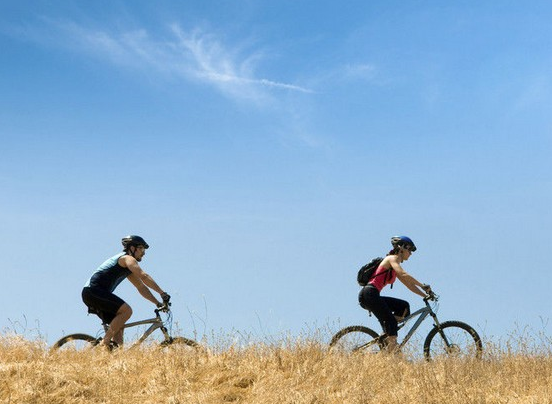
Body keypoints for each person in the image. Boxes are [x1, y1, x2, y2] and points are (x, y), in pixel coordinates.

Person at [81, 235, 170, 348]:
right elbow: (144, 276)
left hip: (93, 293)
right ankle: (104, 343)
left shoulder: (127, 268)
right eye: (141, 248)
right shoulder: (127, 259)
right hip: (93, 291)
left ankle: (115, 356)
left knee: (119, 325)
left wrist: (157, 303)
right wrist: (162, 293)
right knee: (126, 311)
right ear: (132, 248)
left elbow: (141, 287)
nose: (143, 253)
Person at [358, 236, 432, 352]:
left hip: (372, 295)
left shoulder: (393, 266)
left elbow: (409, 285)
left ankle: (387, 334)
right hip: (369, 294)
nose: (410, 254)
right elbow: (403, 274)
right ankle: (392, 349)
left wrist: (425, 295)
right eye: (410, 250)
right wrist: (423, 285)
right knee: (391, 321)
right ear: (402, 248)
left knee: (403, 306)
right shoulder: (392, 259)